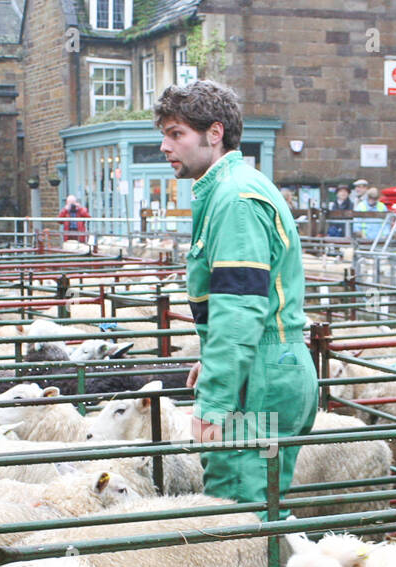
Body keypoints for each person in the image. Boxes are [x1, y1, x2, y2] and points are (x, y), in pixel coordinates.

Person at [154, 80, 318, 510]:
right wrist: (212, 364)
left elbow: (239, 307)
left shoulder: (235, 200)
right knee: (257, 501)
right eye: (165, 135)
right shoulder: (231, 190)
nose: (165, 146)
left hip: (260, 376)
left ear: (215, 133)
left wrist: (217, 399)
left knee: (239, 511)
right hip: (267, 365)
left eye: (176, 134)